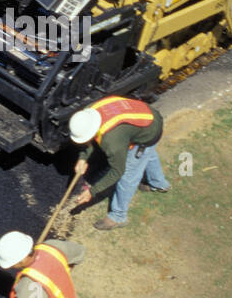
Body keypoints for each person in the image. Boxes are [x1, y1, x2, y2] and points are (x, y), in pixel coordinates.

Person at [70, 96, 169, 230]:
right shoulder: (90, 111)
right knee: (146, 154)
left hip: (149, 130)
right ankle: (159, 184)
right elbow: (91, 140)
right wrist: (83, 157)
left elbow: (118, 171)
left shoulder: (112, 141)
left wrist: (92, 192)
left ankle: (118, 216)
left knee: (128, 175)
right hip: (146, 116)